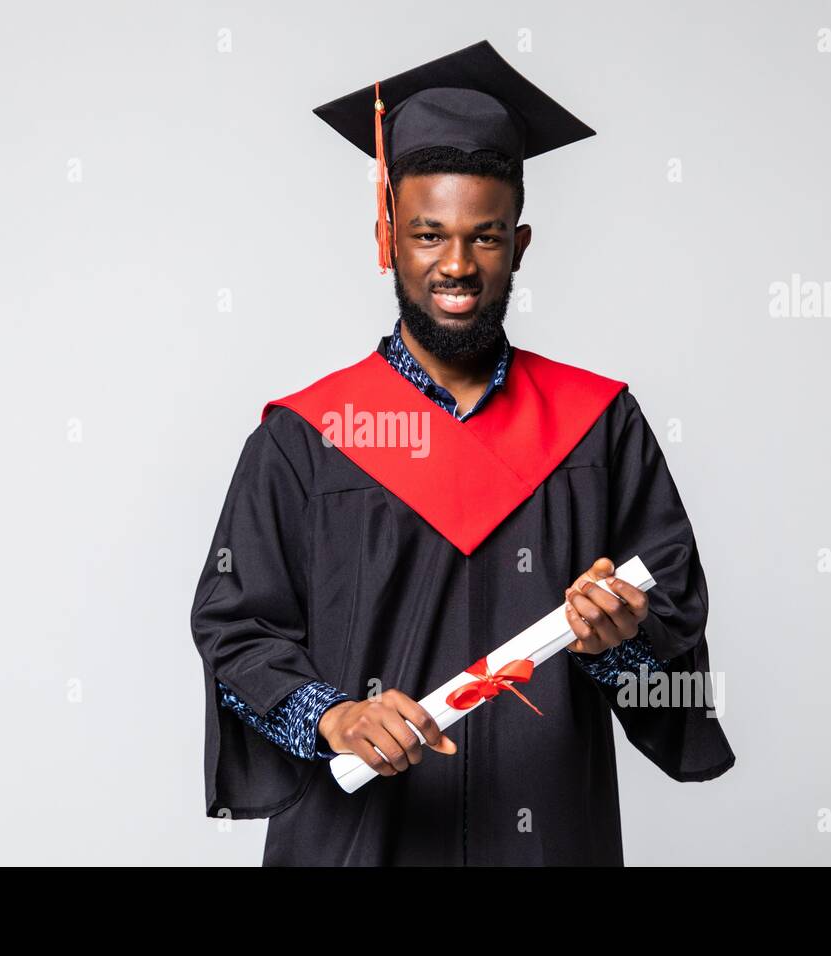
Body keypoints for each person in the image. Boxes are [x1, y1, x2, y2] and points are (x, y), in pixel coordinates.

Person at [191, 39, 735, 866]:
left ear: (518, 245)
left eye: (483, 238)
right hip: (358, 842)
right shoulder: (307, 436)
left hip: (550, 838)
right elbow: (237, 633)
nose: (455, 265)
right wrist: (333, 716)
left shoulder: (600, 426)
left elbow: (672, 666)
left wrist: (616, 643)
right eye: (427, 234)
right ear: (388, 238)